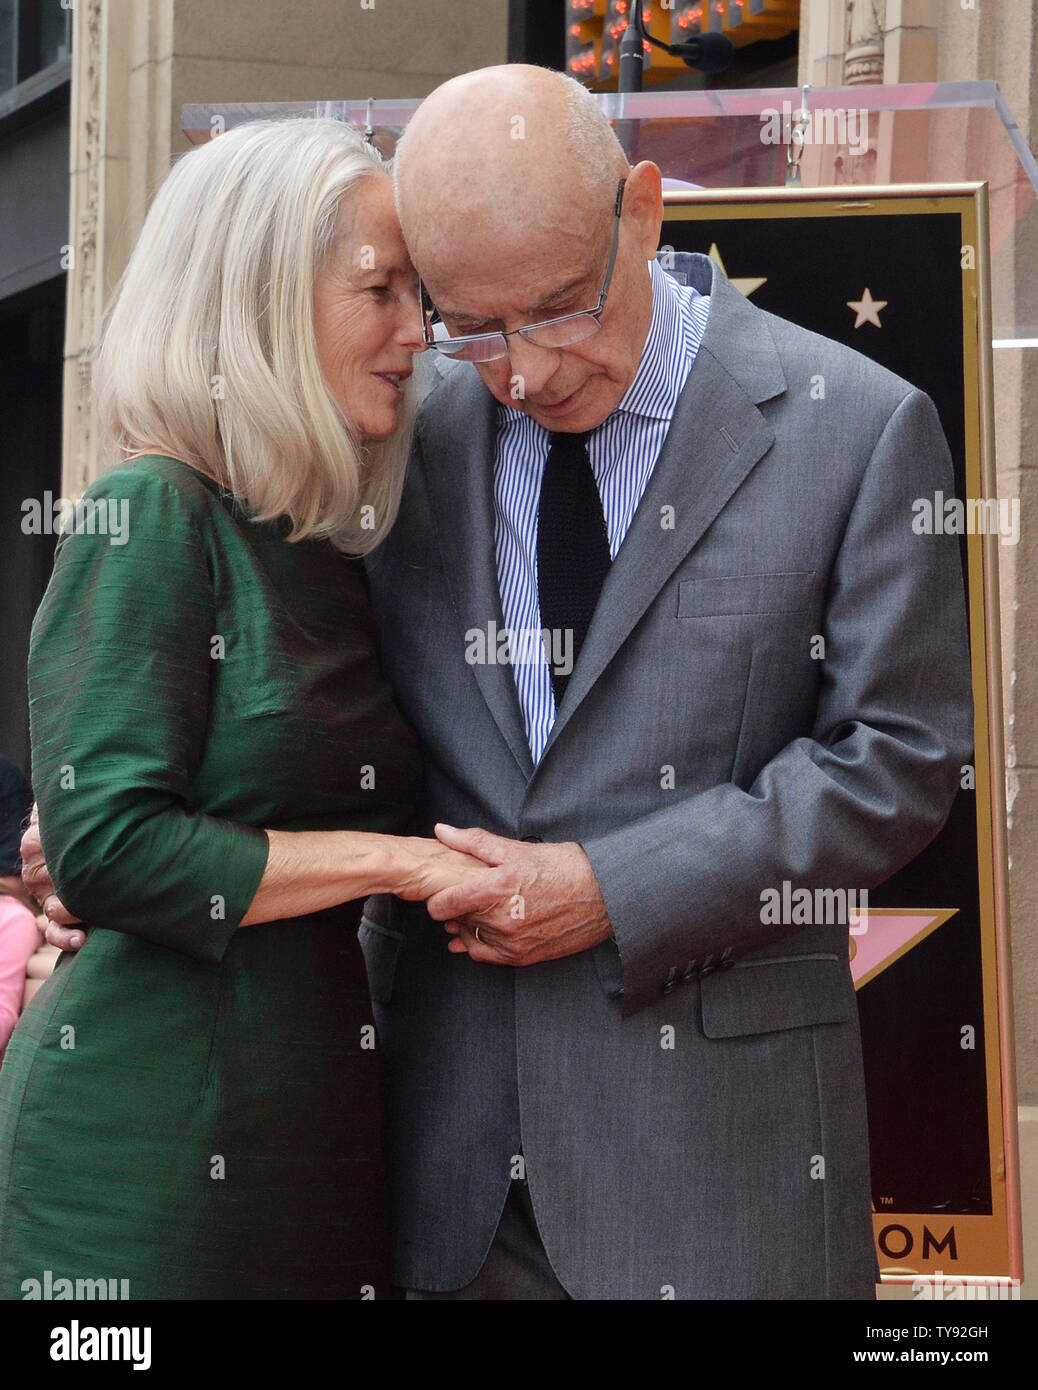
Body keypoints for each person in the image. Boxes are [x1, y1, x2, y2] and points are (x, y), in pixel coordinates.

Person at [354, 64, 973, 1299]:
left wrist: (615, 890)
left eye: (555, 311)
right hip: (439, 1175)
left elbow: (900, 760)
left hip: (721, 1174)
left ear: (643, 212)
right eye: (471, 325)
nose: (519, 371)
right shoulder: (396, 432)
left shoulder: (856, 425)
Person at [0, 116, 483, 1300]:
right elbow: (103, 846)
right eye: (381, 291)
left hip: (309, 1139)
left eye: (419, 295)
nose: (418, 334)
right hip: (146, 1156)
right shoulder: (154, 513)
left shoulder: (318, 548)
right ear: (261, 300)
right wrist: (396, 862)